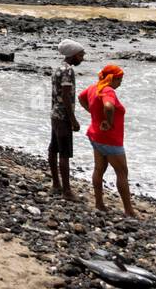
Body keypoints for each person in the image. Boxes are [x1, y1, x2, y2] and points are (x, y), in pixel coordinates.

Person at [79, 64, 138, 218]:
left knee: (99, 169)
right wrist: (109, 122)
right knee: (122, 173)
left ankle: (99, 203)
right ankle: (129, 211)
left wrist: (93, 113)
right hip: (110, 140)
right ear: (112, 78)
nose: (121, 82)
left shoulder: (94, 87)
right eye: (119, 79)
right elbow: (109, 106)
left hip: (95, 135)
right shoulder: (107, 90)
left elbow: (81, 97)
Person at [48, 39, 85, 200]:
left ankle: (56, 184)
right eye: (81, 55)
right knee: (64, 153)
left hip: (55, 114)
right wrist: (73, 120)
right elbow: (65, 95)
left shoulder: (58, 68)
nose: (82, 58)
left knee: (53, 149)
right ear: (73, 55)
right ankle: (67, 191)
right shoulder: (68, 71)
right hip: (63, 117)